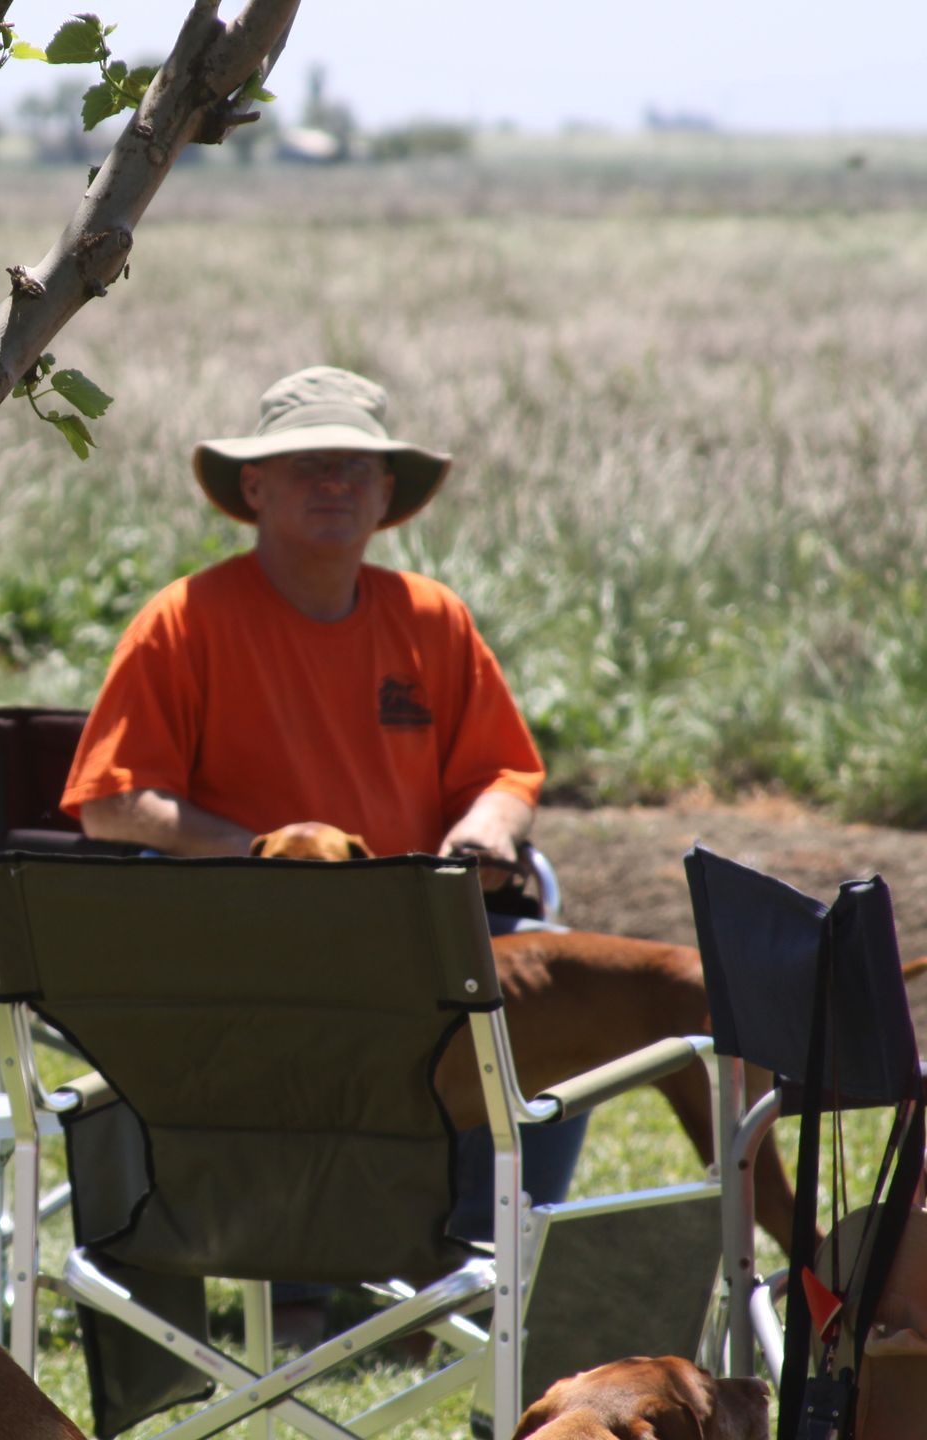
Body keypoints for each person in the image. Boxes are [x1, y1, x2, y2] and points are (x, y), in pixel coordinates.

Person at [59, 366, 582, 1316]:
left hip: (428, 939)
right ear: (254, 486)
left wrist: (484, 826)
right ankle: (308, 1284)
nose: (335, 483)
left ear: (388, 494)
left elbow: (506, 774)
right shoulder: (184, 621)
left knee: (555, 1030)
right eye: (308, 465)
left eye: (357, 467)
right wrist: (268, 859)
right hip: (254, 946)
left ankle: (490, 1277)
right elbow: (115, 804)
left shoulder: (434, 618)